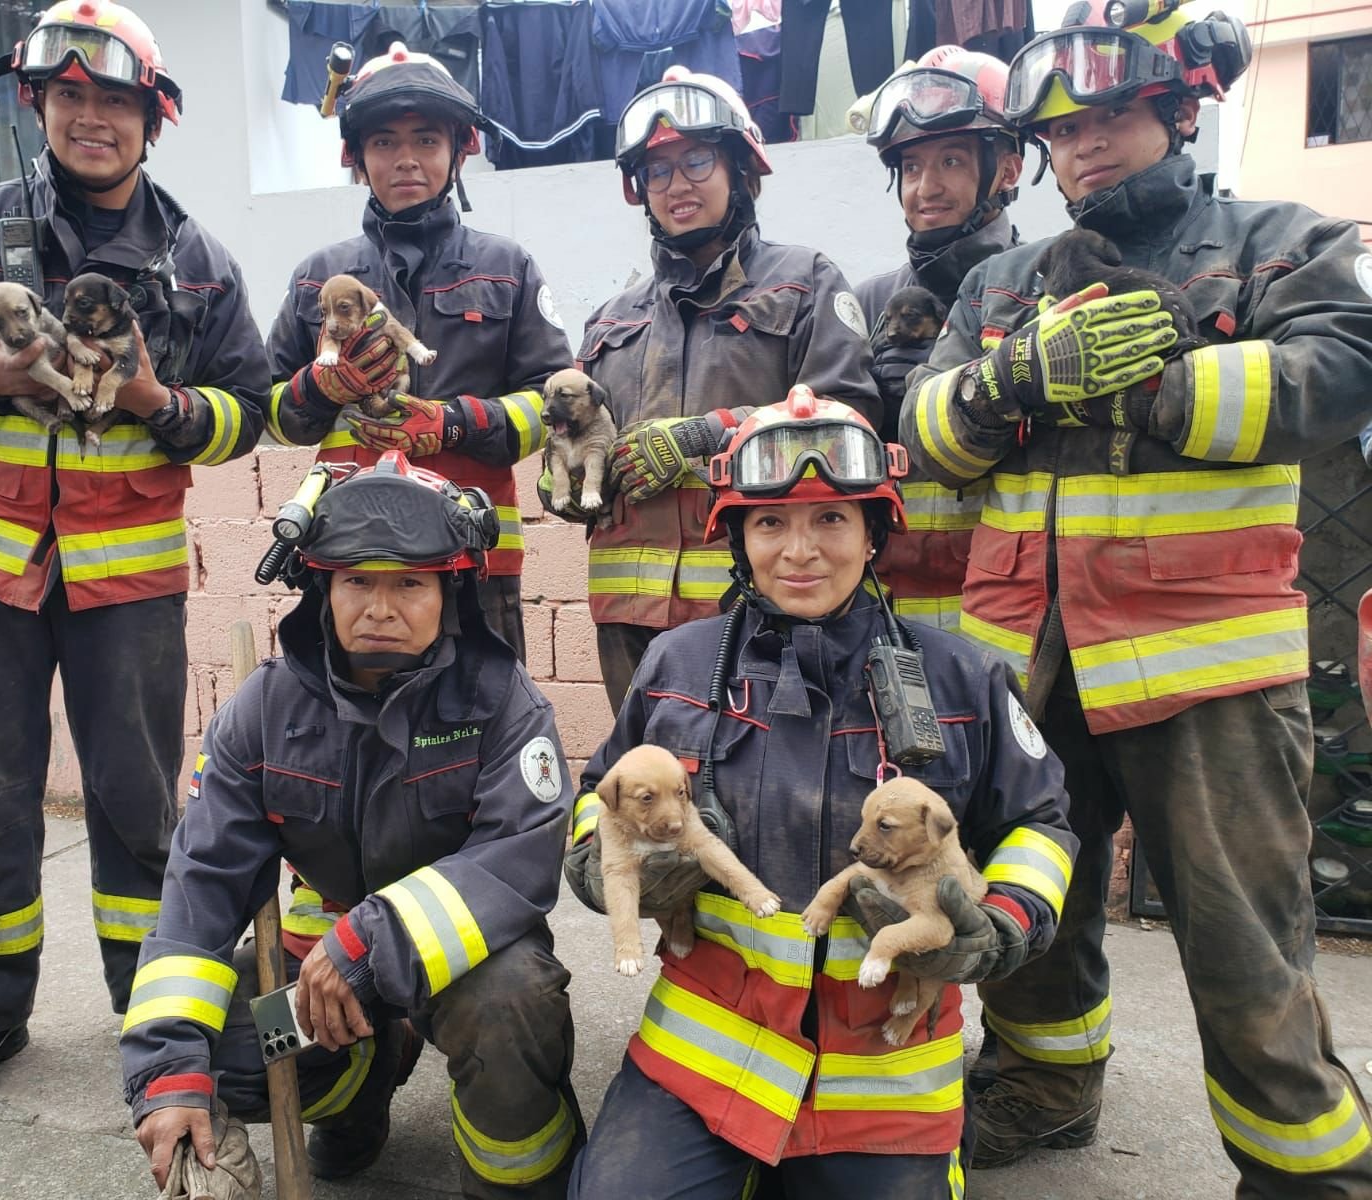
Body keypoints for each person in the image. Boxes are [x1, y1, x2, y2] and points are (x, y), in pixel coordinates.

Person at [900, 1, 1372, 1188]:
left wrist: (1166, 383)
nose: (1086, 146)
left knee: (1242, 943)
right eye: (1062, 132)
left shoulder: (1277, 241)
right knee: (1031, 903)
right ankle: (1044, 1087)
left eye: (1111, 116)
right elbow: (926, 431)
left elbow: (1343, 366)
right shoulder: (1001, 280)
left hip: (1203, 674)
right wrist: (1008, 380)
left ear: (1177, 112)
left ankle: (1305, 1170)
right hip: (1025, 667)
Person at [0, 0, 268, 1114]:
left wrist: (155, 402)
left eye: (115, 99)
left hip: (126, 583)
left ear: (152, 116)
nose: (92, 117)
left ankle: (156, 1014)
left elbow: (248, 412)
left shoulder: (197, 262)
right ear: (38, 104)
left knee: (140, 807)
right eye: (70, 95)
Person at [563, 386, 1077, 1198]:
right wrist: (606, 867)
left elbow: (1040, 824)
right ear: (739, 539)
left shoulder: (963, 676)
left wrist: (1002, 924)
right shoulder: (676, 666)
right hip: (706, 1058)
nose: (799, 550)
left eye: (832, 519)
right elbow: (600, 796)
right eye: (770, 522)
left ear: (874, 533)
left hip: (887, 1076)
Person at [121, 451, 584, 1197]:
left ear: (451, 591)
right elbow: (200, 892)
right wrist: (169, 1072)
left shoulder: (503, 703)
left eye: (410, 584)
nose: (380, 607)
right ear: (322, 588)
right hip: (325, 983)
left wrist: (368, 942)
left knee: (512, 1005)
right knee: (234, 1049)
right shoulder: (261, 713)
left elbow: (517, 862)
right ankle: (363, 1084)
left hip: (462, 968)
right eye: (357, 581)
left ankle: (520, 1185)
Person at [552, 67, 879, 714]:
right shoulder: (610, 320)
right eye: (657, 171)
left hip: (758, 608)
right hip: (628, 619)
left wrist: (705, 436)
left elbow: (851, 415)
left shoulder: (804, 281)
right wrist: (563, 476)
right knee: (648, 774)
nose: (677, 184)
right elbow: (578, 446)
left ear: (742, 170)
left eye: (697, 160)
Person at [266, 42, 570, 662]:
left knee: (484, 718)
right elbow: (266, 409)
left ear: (459, 150)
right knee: (343, 720)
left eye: (427, 140)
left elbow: (556, 404)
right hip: (347, 557)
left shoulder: (507, 268)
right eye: (384, 142)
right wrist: (318, 389)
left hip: (472, 557)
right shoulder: (317, 278)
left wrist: (455, 421)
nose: (406, 159)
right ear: (356, 157)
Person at [855, 46, 1026, 636]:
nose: (925, 186)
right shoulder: (868, 303)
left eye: (951, 160)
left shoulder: (1043, 291)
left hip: (1007, 610)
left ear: (1007, 170)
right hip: (879, 612)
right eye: (910, 167)